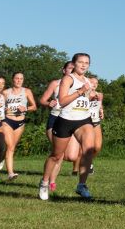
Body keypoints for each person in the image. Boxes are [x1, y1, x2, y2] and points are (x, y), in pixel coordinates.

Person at [39, 53, 100, 201]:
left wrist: (91, 96)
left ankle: (82, 185)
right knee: (56, 156)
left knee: (88, 150)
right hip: (65, 120)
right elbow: (62, 101)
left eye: (87, 63)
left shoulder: (87, 81)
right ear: (74, 63)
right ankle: (44, 182)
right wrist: (80, 92)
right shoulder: (68, 79)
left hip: (84, 120)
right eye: (81, 62)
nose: (84, 65)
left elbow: (86, 98)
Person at [0, 72, 36, 180]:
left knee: (11, 148)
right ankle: (11, 173)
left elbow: (34, 106)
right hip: (7, 121)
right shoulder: (6, 92)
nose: (19, 80)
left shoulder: (27, 91)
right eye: (17, 78)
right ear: (12, 79)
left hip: (20, 122)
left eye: (21, 78)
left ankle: (2, 158)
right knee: (10, 147)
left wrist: (26, 108)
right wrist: (4, 109)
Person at [68, 75, 103, 175]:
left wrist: (101, 111)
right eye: (92, 82)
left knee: (97, 147)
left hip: (95, 121)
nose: (94, 85)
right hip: (83, 121)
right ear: (87, 82)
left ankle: (89, 161)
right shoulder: (83, 93)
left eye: (96, 83)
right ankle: (75, 169)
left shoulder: (99, 95)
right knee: (82, 147)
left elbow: (100, 107)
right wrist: (89, 97)